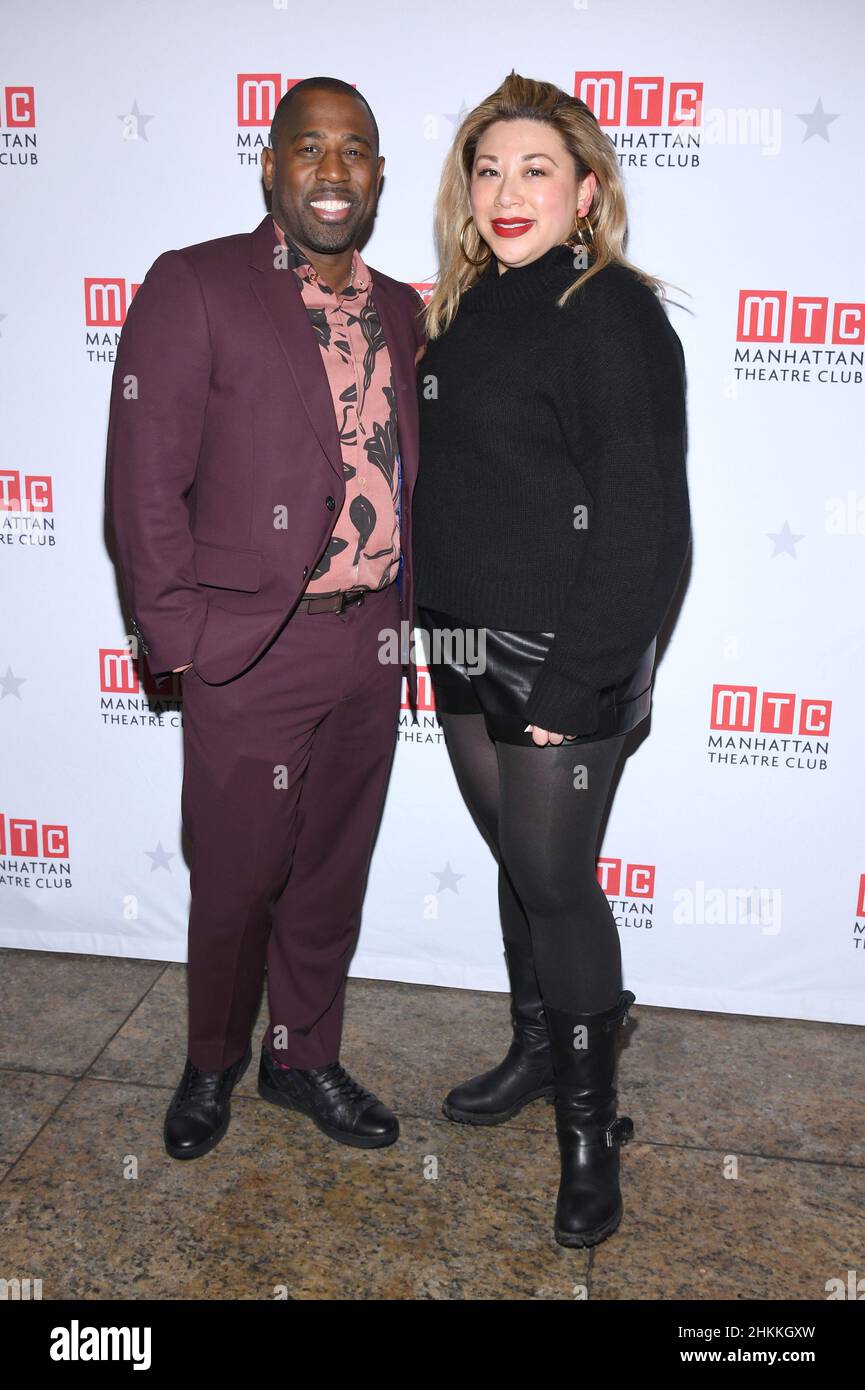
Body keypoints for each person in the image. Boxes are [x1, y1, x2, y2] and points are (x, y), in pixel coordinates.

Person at [106, 77, 425, 1160]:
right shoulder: (195, 285)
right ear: (272, 165)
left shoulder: (404, 309)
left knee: (334, 866)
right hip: (253, 647)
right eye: (310, 148)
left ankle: (302, 1055)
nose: (332, 172)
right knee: (237, 876)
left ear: (377, 176)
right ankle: (211, 1064)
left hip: (372, 636)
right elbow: (143, 485)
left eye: (355, 152)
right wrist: (180, 639)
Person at [412, 71, 691, 1246]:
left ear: (587, 192)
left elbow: (646, 526)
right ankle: (539, 1043)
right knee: (519, 866)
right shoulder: (466, 308)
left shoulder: (609, 309)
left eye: (535, 169)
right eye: (487, 169)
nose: (507, 190)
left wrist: (573, 683)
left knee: (559, 882)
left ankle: (589, 1133)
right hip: (463, 643)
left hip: (564, 655)